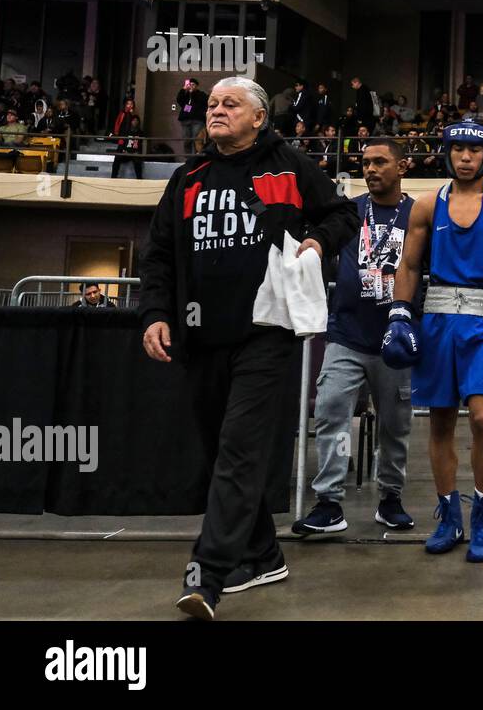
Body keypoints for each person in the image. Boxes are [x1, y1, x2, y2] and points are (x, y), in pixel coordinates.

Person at [139, 75, 359, 620]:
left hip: (265, 335)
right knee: (220, 454)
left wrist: (318, 240)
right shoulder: (187, 175)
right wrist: (155, 314)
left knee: (238, 452)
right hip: (201, 335)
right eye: (212, 104)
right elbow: (160, 254)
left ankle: (207, 573)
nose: (216, 111)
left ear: (258, 117)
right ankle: (262, 553)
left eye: (230, 104)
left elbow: (342, 214)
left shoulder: (287, 165)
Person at [382, 121, 483, 565]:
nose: (465, 157)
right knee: (439, 421)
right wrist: (399, 313)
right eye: (458, 150)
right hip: (438, 320)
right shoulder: (428, 206)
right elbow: (409, 266)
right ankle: (450, 516)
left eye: (473, 150)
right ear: (447, 153)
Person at [293, 138, 418, 541]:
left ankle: (390, 499)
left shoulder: (418, 215)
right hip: (346, 333)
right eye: (365, 162)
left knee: (394, 424)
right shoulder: (348, 211)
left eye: (381, 161)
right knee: (330, 412)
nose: (370, 169)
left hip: (394, 338)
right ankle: (329, 504)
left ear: (402, 166)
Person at [174, 77, 208, 155]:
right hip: (185, 120)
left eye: (193, 84)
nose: (191, 86)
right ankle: (188, 157)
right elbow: (179, 100)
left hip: (197, 120)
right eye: (189, 84)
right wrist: (184, 89)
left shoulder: (201, 94)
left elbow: (206, 101)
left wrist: (193, 93)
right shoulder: (185, 95)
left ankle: (195, 157)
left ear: (196, 86)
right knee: (187, 140)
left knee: (196, 139)